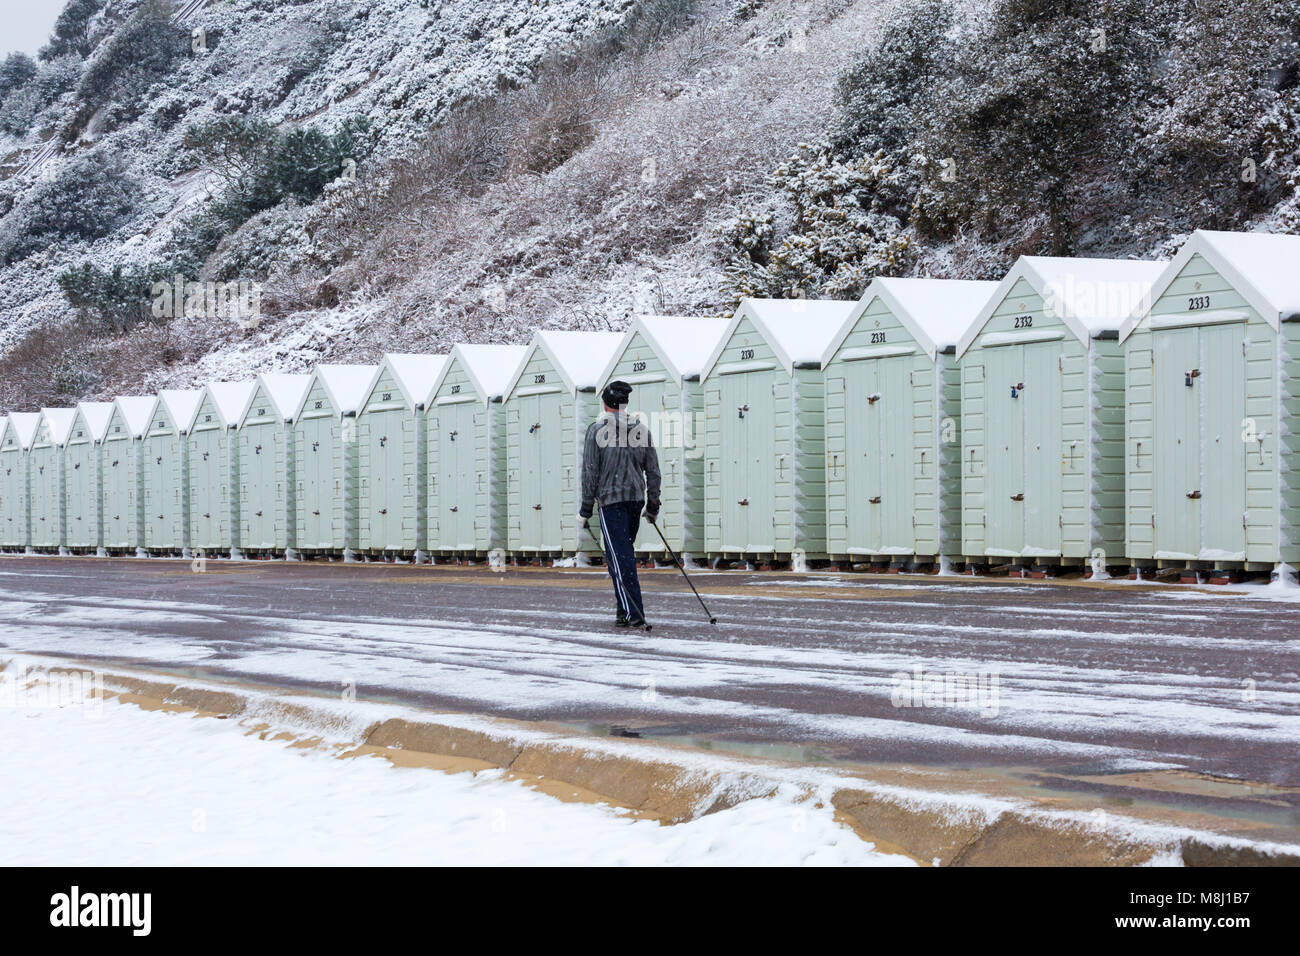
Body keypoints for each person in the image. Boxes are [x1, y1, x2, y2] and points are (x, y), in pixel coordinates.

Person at [579, 380, 661, 630]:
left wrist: (585, 509)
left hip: (611, 502)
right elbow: (653, 471)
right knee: (620, 556)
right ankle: (623, 611)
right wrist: (653, 504)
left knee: (621, 558)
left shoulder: (596, 430)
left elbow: (590, 472)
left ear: (605, 403)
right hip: (635, 501)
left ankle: (633, 612)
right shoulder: (642, 430)